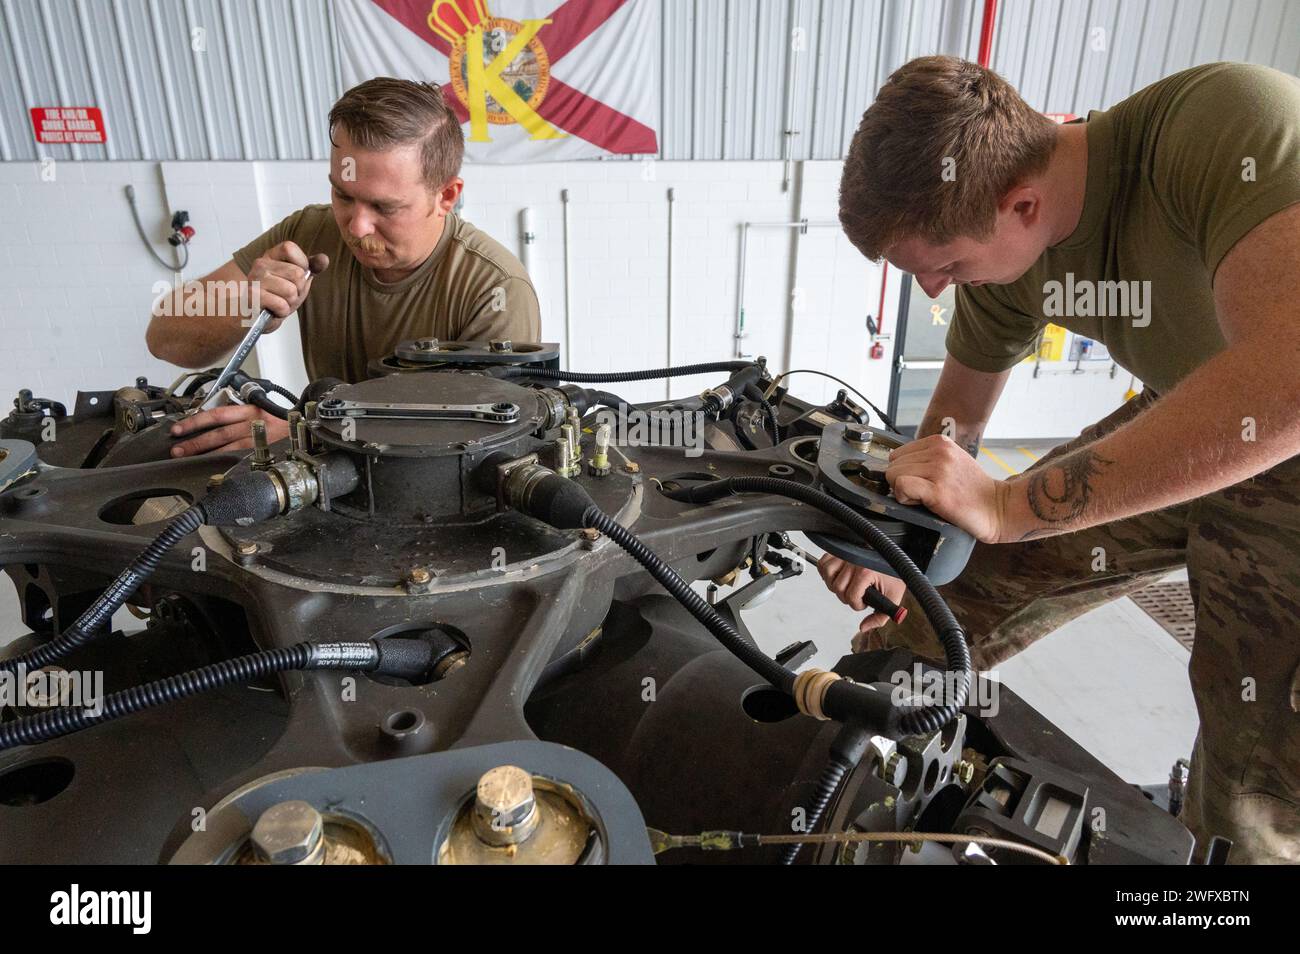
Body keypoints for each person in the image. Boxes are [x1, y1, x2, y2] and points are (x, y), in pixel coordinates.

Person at [824, 56, 1300, 863]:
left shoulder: (1225, 121)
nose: (936, 291)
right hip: (1192, 408)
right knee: (949, 597)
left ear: (1023, 204)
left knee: (1250, 772)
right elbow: (957, 427)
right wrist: (904, 539)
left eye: (944, 266)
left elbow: (1287, 381)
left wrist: (1009, 508)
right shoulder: (1006, 247)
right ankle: (832, 767)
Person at [145, 77, 540, 456]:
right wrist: (244, 306)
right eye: (343, 194)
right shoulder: (309, 233)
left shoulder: (495, 290)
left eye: (384, 207)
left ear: (446, 196)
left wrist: (306, 432)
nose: (355, 226)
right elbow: (164, 336)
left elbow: (487, 441)